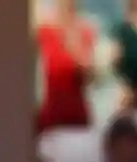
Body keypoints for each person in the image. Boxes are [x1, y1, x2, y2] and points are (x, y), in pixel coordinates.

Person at [37, 0, 98, 132]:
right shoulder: (44, 30)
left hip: (77, 118)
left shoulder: (86, 32)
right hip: (51, 118)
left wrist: (74, 44)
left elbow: (90, 77)